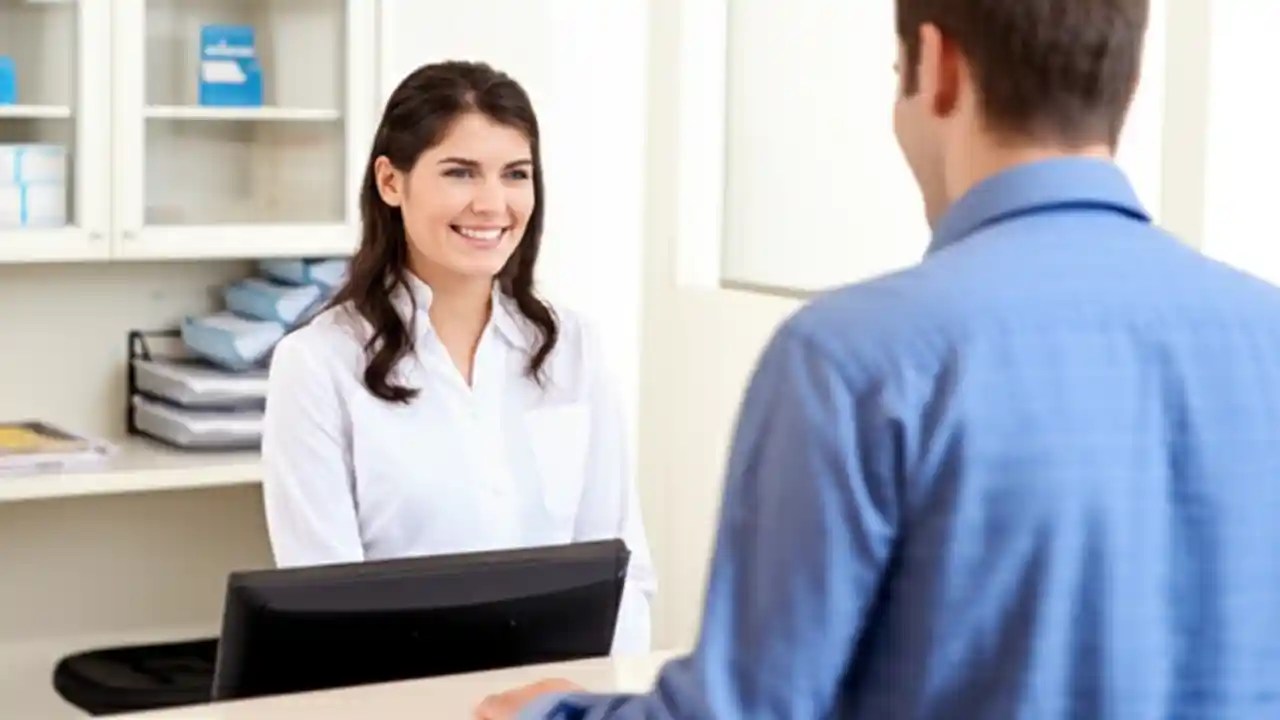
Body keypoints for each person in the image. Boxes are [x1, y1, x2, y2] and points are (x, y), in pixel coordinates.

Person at [477, 0, 1280, 717]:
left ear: (938, 66)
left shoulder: (856, 357)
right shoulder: (1265, 333)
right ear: (1125, 77)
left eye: (899, 71)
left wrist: (555, 715)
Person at [260, 60, 655, 655]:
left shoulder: (574, 350)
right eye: (461, 173)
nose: (492, 204)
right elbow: (328, 616)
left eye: (515, 174)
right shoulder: (317, 364)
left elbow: (622, 581)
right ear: (391, 182)